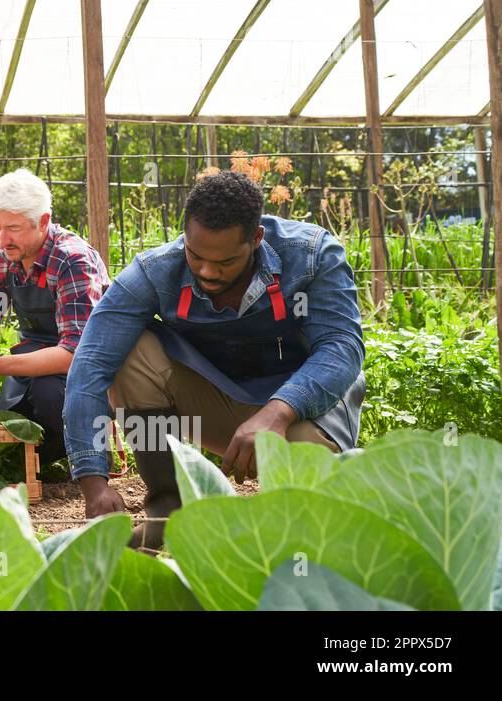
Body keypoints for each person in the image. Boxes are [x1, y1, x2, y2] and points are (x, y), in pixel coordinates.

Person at [65, 169, 366, 548]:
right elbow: (90, 365)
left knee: (304, 518)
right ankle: (171, 515)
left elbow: (342, 348)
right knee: (131, 353)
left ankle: (292, 531)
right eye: (196, 255)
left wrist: (276, 413)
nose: (207, 271)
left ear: (256, 239)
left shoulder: (311, 256)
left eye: (224, 262)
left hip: (300, 415)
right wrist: (94, 482)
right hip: (217, 405)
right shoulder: (155, 271)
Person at [0, 169, 110, 463]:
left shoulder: (72, 259)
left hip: (94, 374)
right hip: (33, 363)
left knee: (49, 396)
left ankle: (93, 454)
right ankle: (45, 457)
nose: (3, 238)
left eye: (12, 227)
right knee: (0, 433)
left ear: (43, 221)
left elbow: (75, 352)